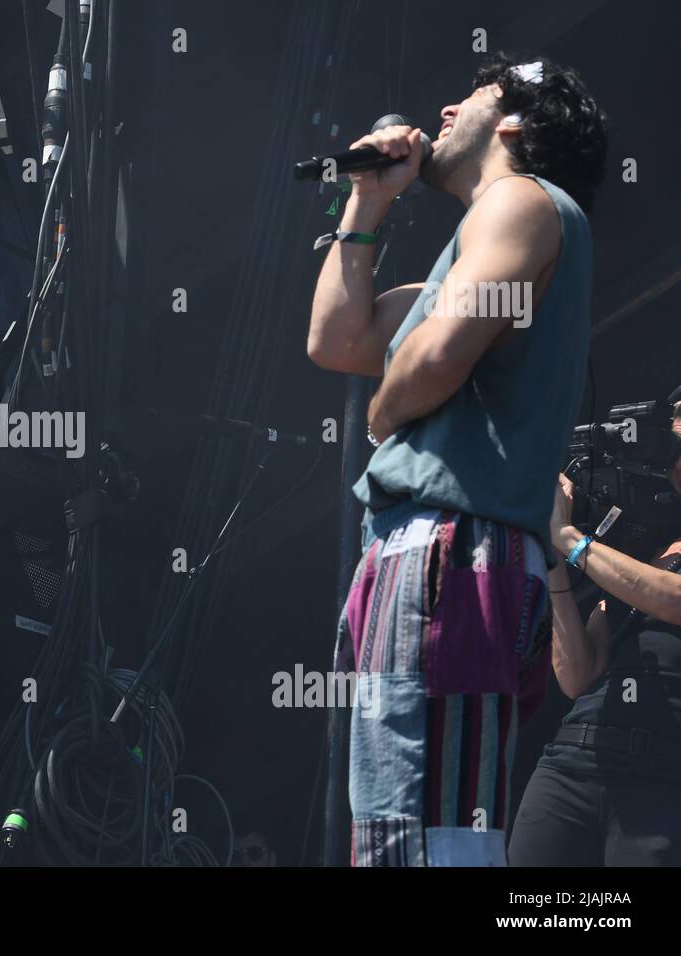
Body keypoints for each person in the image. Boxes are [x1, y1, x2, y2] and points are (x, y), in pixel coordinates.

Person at [306, 54, 608, 866]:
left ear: (512, 123)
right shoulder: (478, 244)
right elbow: (338, 340)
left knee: (420, 830)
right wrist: (368, 200)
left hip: (448, 548)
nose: (444, 109)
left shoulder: (523, 200)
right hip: (432, 549)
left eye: (471, 96)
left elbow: (435, 356)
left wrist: (381, 417)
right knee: (416, 823)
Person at [508, 401, 681, 866]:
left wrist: (569, 539)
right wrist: (553, 560)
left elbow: (672, 599)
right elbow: (577, 676)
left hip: (661, 780)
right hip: (572, 762)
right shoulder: (644, 550)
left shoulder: (649, 573)